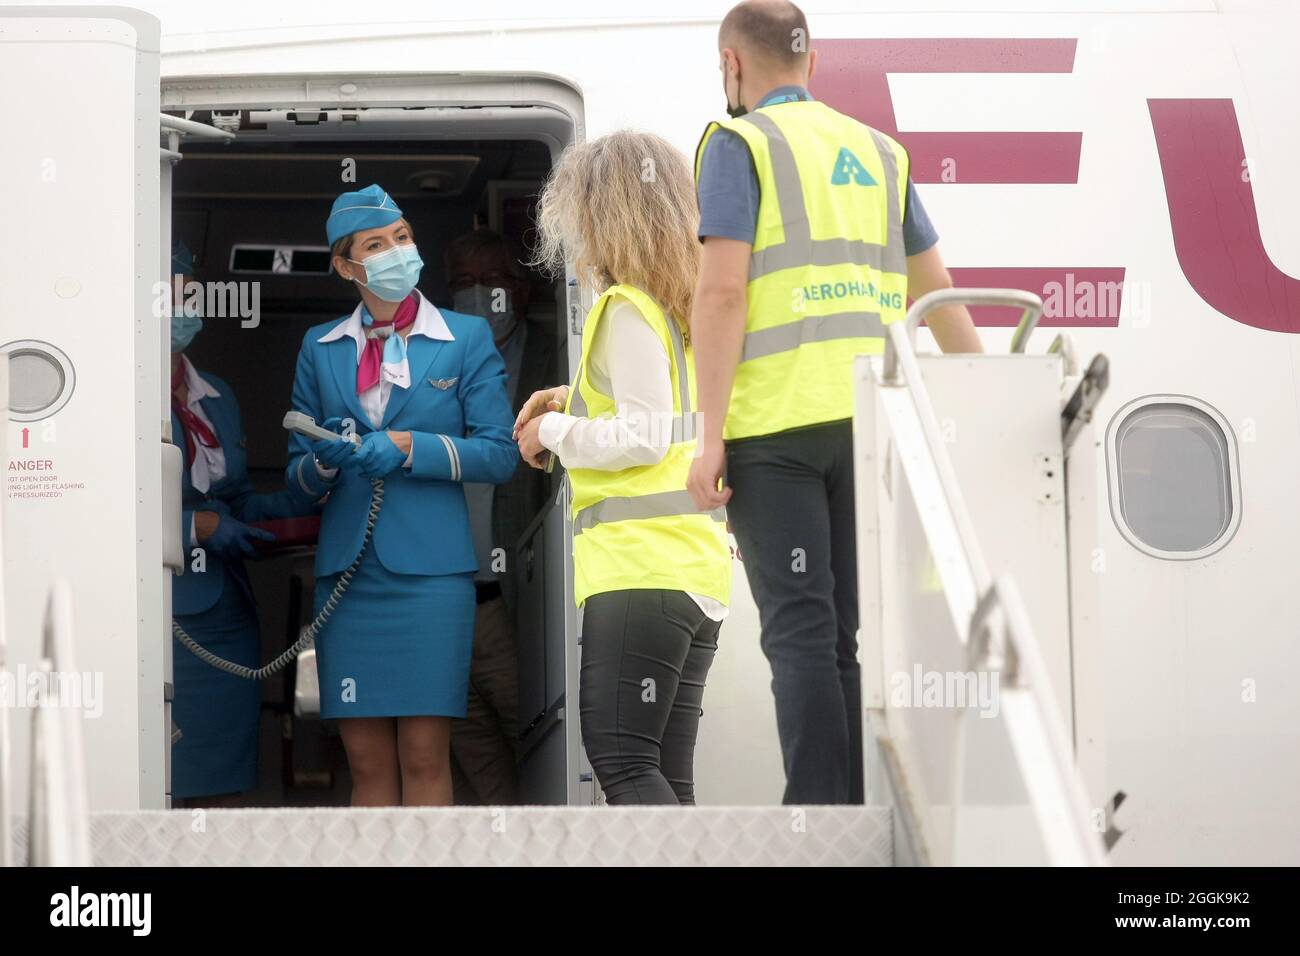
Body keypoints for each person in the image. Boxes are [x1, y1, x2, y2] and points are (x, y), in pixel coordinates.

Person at [685, 0, 984, 805]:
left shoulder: (735, 144)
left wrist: (707, 437)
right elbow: (942, 296)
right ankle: (843, 808)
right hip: (869, 425)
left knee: (798, 634)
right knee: (843, 635)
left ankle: (817, 817)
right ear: (811, 64)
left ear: (732, 67)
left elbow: (719, 295)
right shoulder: (883, 154)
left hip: (774, 432)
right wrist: (990, 399)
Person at [516, 131, 732, 805]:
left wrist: (550, 428)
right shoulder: (688, 315)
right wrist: (570, 399)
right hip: (695, 570)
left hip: (642, 570)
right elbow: (667, 416)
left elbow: (641, 436)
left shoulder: (625, 307)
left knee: (621, 760)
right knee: (668, 775)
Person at [283, 185, 517, 807]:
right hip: (349, 577)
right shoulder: (321, 347)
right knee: (365, 765)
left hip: (432, 576)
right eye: (375, 245)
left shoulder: (465, 338)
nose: (395, 252)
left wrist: (412, 446)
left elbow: (500, 453)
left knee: (423, 757)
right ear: (346, 266)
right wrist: (326, 463)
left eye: (403, 238)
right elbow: (295, 479)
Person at [168, 239, 314, 806]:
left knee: (225, 783)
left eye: (190, 293)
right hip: (162, 610)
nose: (185, 305)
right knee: (163, 777)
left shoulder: (218, 397)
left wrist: (307, 501)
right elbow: (105, 503)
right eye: (172, 294)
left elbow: (237, 500)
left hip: (227, 609)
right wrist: (192, 527)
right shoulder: (117, 394)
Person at [445, 229, 556, 805]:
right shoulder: (434, 359)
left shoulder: (558, 355)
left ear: (521, 290)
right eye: (462, 283)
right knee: (474, 770)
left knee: (539, 752)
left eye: (489, 280)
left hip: (516, 602)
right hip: (446, 603)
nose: (476, 294)